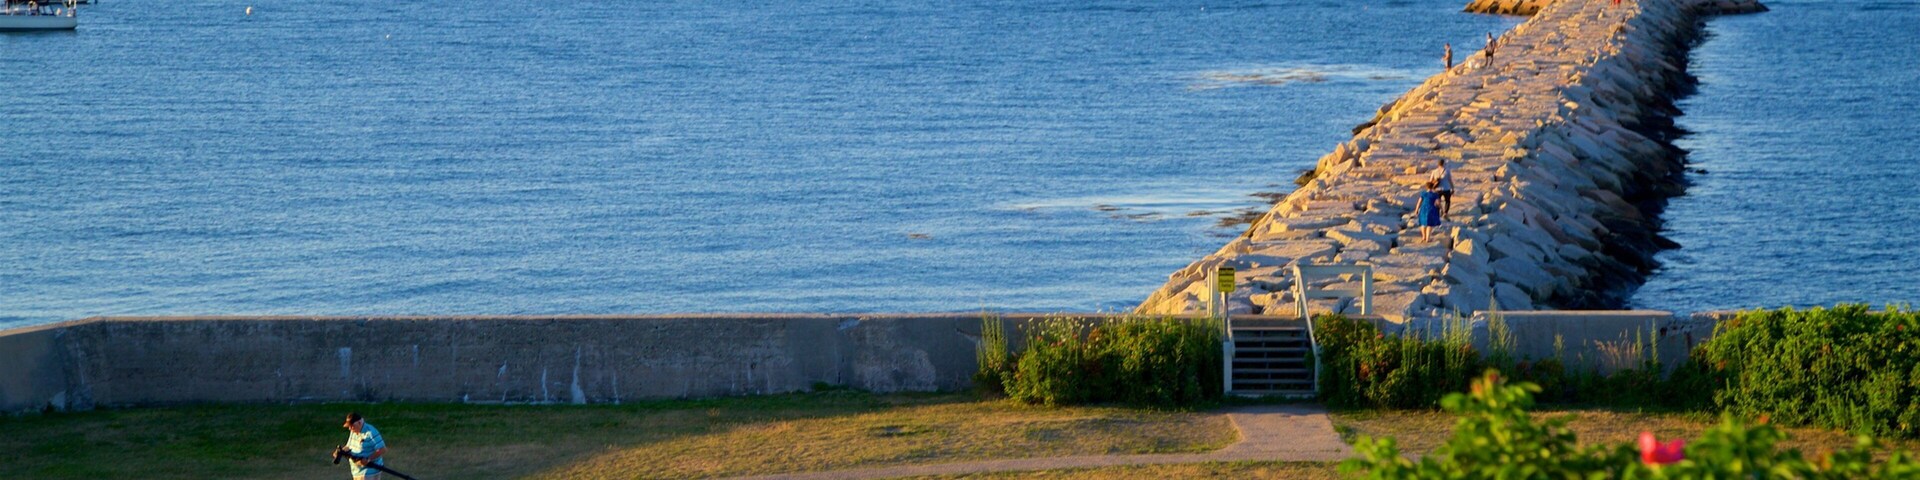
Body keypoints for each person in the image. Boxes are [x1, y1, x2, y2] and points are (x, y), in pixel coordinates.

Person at [342, 412, 388, 480]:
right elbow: (349, 446)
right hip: (357, 471)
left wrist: (368, 459)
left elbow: (382, 449)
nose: (350, 428)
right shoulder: (354, 431)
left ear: (359, 422)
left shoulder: (371, 432)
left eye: (352, 426)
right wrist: (340, 451)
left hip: (369, 471)